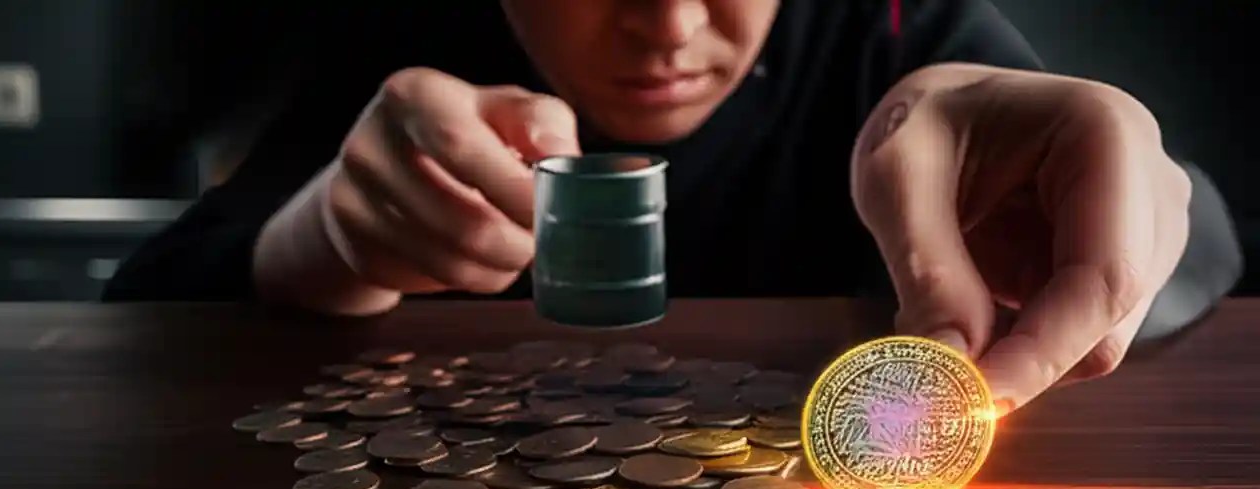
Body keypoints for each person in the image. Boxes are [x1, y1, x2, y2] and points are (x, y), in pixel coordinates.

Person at [103, 0, 1243, 417]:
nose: (665, 26)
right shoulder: (408, 37)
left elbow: (1199, 248)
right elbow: (142, 300)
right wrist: (319, 241)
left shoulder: (887, 29)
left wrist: (1137, 220)